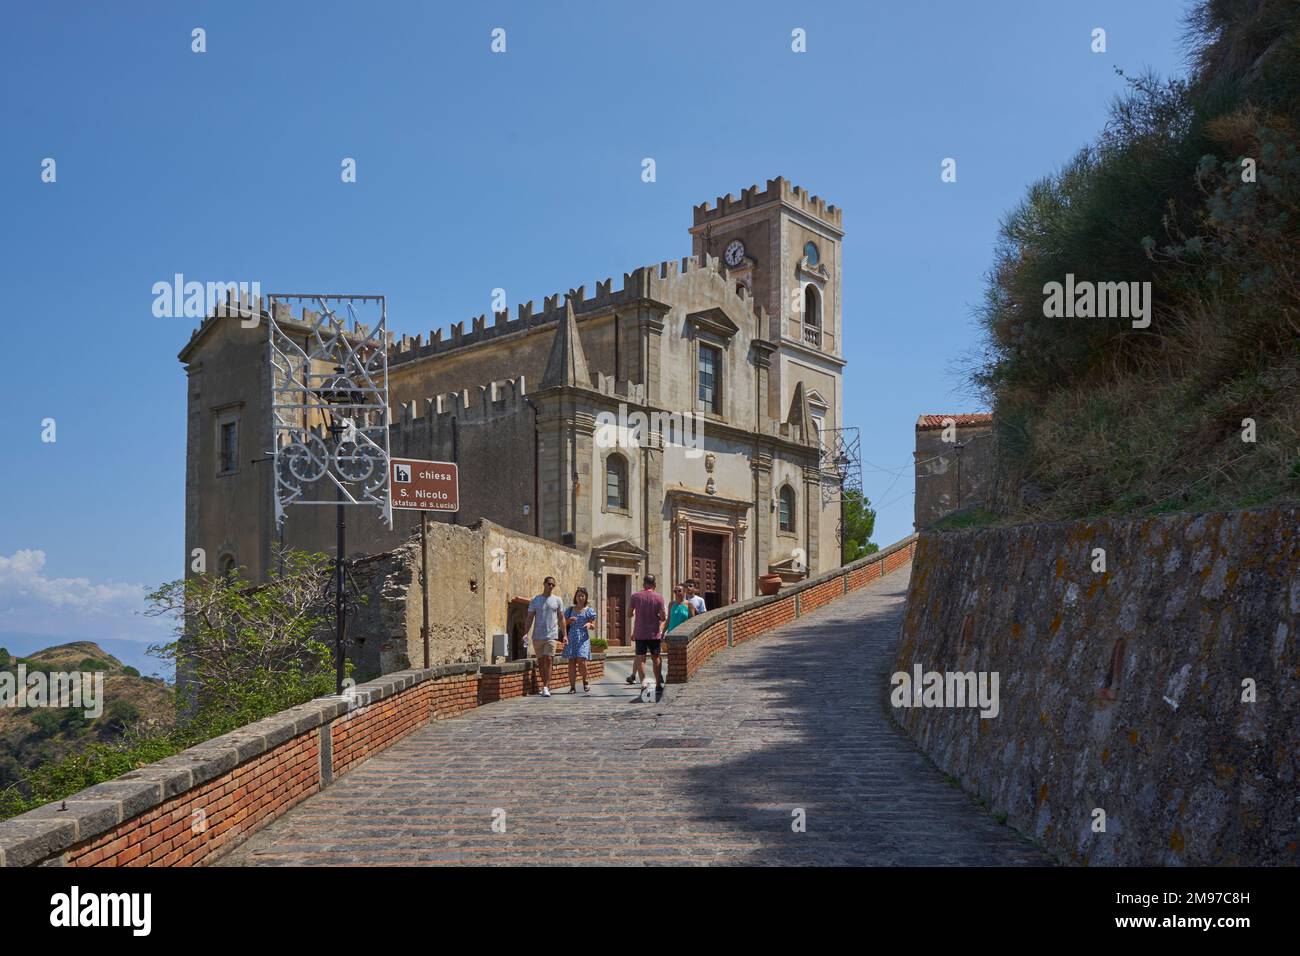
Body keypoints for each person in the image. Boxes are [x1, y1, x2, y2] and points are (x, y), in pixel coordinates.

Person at [626, 573, 667, 701]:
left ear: (643, 584)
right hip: (654, 634)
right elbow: (663, 617)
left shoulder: (635, 596)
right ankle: (658, 684)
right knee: (656, 658)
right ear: (654, 584)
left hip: (640, 633)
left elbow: (629, 614)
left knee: (640, 659)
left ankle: (644, 683)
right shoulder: (659, 598)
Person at [523, 576, 566, 698]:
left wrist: (565, 635)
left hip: (551, 635)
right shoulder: (535, 600)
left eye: (553, 584)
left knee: (549, 659)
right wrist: (525, 632)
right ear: (544, 584)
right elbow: (530, 617)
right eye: (549, 584)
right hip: (537, 636)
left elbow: (561, 618)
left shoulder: (557, 600)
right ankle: (544, 685)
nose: (551, 586)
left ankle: (546, 686)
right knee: (541, 662)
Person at [563, 587, 597, 694]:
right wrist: (569, 620)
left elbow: (593, 626)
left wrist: (589, 624)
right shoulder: (569, 610)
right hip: (572, 636)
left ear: (586, 597)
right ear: (575, 597)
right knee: (571, 662)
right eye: (578, 596)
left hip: (583, 637)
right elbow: (562, 624)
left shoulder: (589, 611)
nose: (580, 598)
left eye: (582, 596)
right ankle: (572, 687)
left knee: (582, 660)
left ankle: (585, 681)